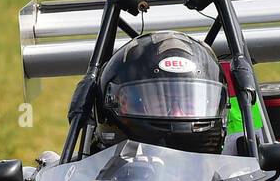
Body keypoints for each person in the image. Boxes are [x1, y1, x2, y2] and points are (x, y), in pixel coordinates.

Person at [96, 31, 229, 154]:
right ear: (124, 104)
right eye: (162, 103)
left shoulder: (236, 163)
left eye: (188, 103)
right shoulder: (88, 175)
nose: (177, 114)